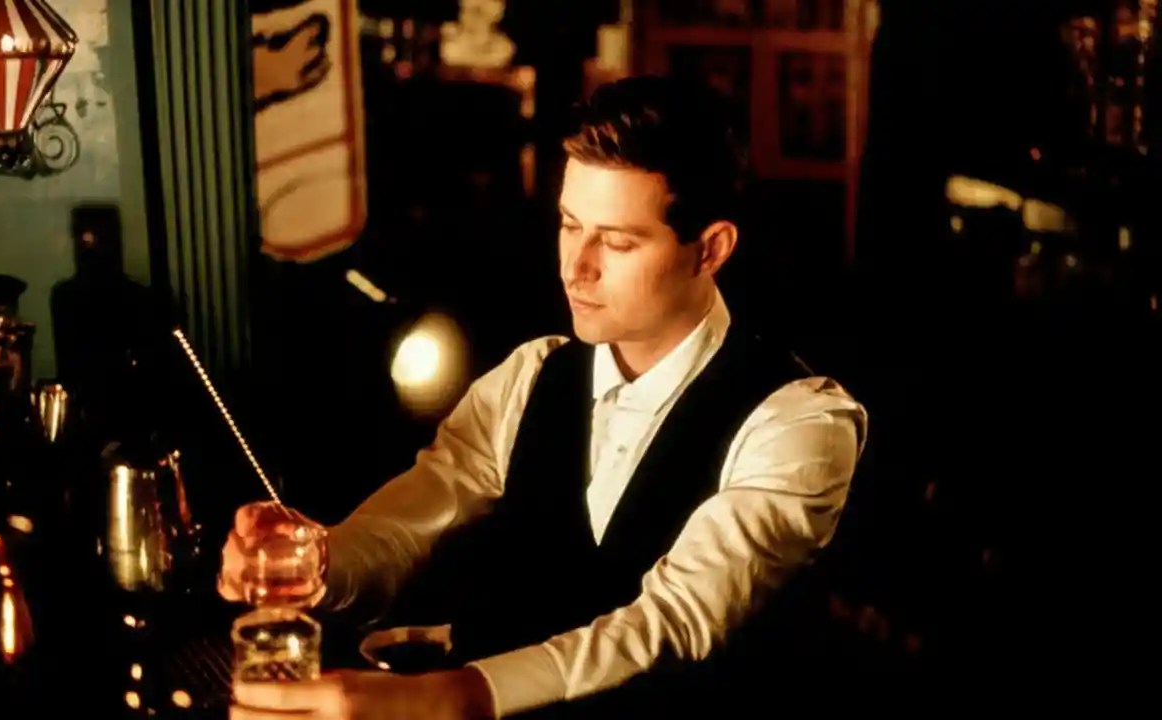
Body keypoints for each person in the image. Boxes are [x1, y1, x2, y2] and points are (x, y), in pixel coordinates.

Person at [221, 75, 868, 719]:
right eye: (568, 225)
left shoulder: (800, 421)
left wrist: (450, 698)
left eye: (617, 242)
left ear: (710, 249)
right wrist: (315, 559)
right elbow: (402, 531)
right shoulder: (533, 375)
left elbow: (674, 621)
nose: (576, 266)